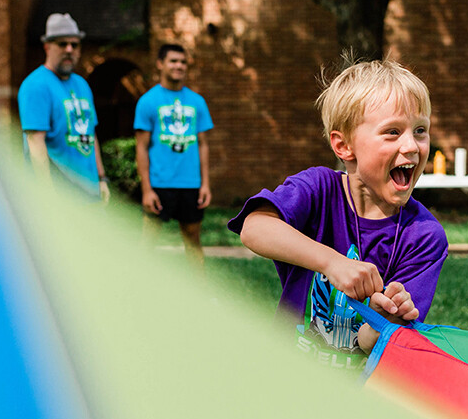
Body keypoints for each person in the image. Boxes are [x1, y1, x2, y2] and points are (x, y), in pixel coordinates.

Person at [227, 58, 449, 372]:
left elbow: (373, 343)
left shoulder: (424, 235)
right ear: (343, 145)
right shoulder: (317, 190)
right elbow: (254, 228)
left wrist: (386, 319)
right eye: (392, 132)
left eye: (420, 130)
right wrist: (332, 262)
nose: (412, 145)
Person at [134, 44, 213, 268]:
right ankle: (133, 293)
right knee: (147, 243)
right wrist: (147, 190)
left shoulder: (197, 102)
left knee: (193, 242)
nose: (179, 66)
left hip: (190, 184)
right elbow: (141, 147)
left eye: (183, 62)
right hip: (159, 183)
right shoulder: (148, 101)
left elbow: (203, 145)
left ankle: (199, 294)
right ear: (160, 64)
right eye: (173, 61)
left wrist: (205, 184)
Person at [19, 13, 110, 201]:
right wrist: (47, 195)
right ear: (47, 47)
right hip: (61, 197)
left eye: (74, 45)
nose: (69, 49)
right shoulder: (36, 85)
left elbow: (91, 136)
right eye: (62, 44)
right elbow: (35, 143)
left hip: (89, 191)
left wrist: (102, 179)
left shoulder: (82, 85)